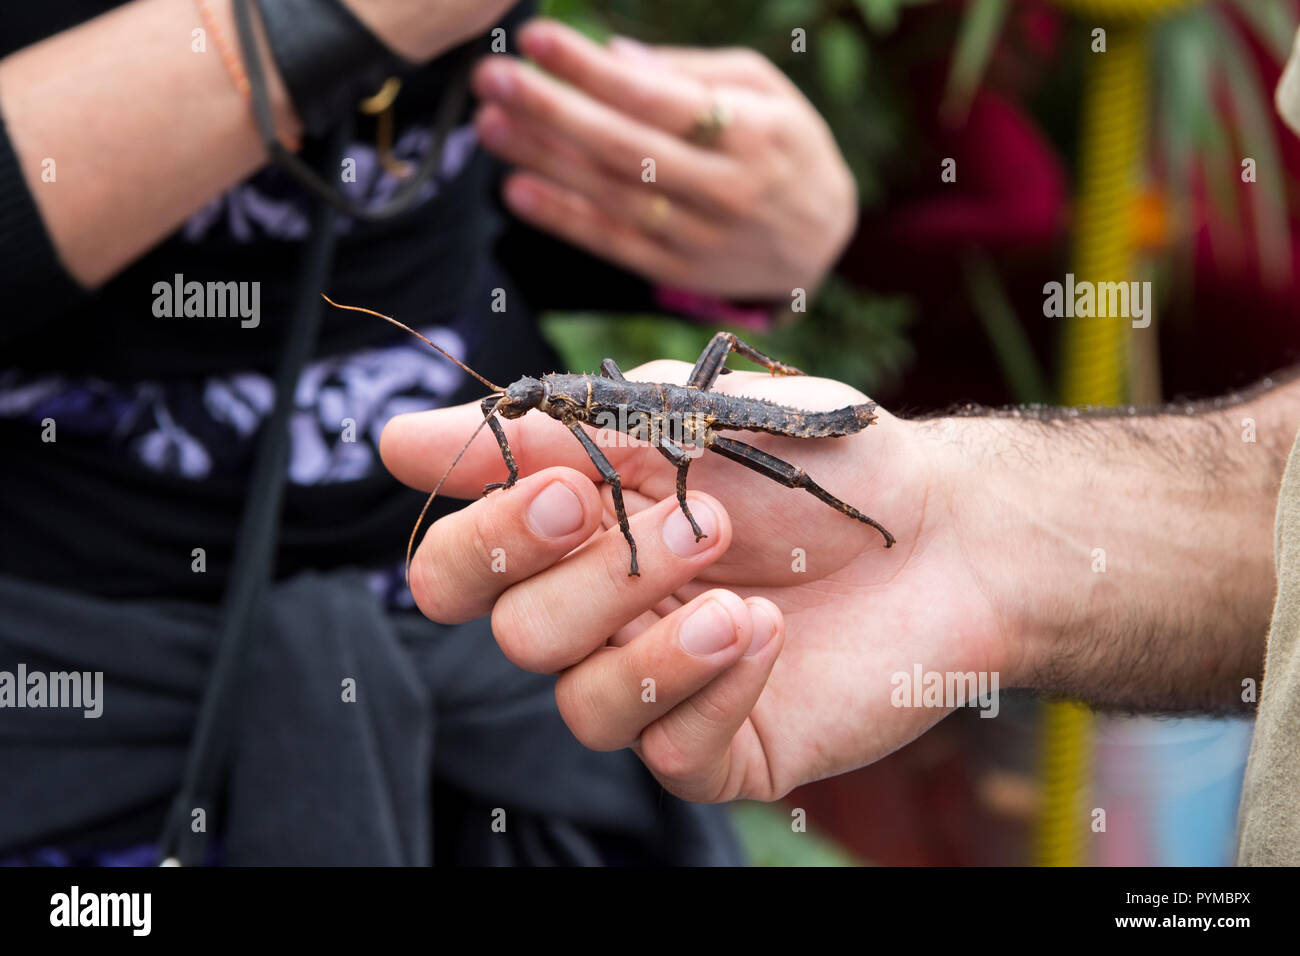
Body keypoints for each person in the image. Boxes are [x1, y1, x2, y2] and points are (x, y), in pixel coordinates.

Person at [0, 1, 858, 865]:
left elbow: (459, 226)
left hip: (517, 697)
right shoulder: (576, 414)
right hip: (80, 716)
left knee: (746, 454)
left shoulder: (590, 411)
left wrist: (744, 236)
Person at [381, 359, 1300, 865]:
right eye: (525, 404)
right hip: (697, 421)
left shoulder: (607, 412)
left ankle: (853, 510)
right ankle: (855, 514)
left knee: (719, 467)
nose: (524, 407)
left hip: (717, 417)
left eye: (531, 399)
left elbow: (632, 475)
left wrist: (631, 546)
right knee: (687, 475)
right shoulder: (588, 411)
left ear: (566, 399)